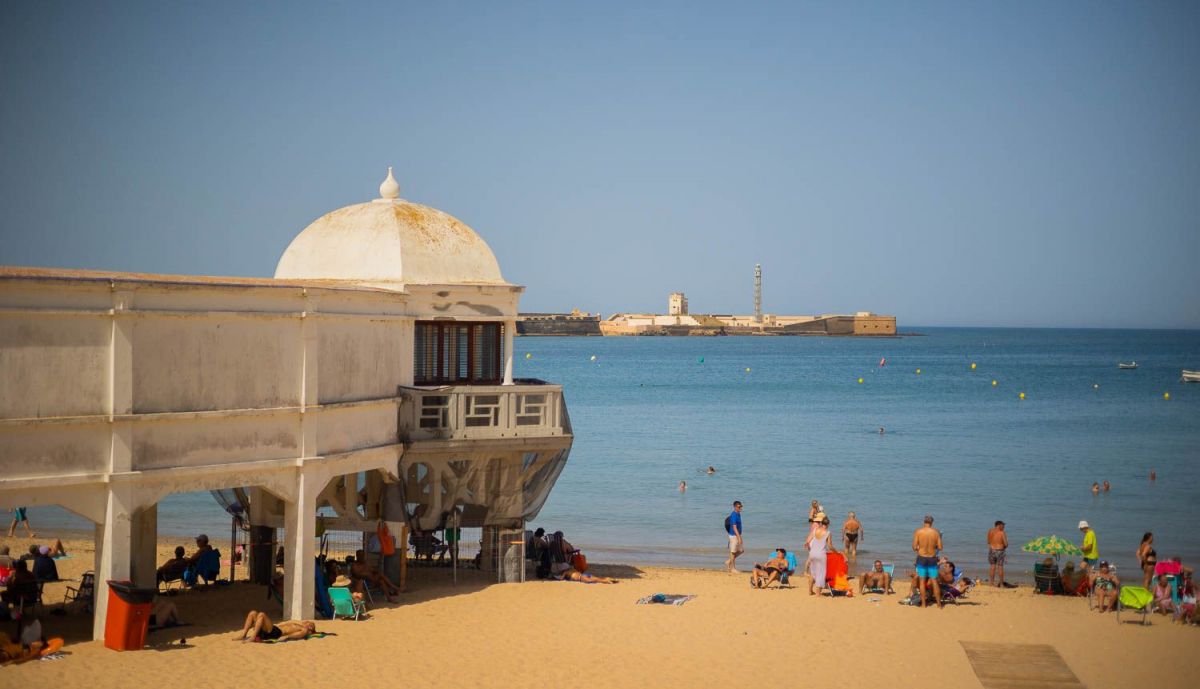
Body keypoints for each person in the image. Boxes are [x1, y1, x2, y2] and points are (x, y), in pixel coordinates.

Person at [912, 515, 943, 608]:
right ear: (932, 522)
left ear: (924, 522)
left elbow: (914, 547)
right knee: (934, 581)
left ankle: (923, 604)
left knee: (922, 581)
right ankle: (939, 604)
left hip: (922, 558)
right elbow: (940, 547)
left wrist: (919, 547)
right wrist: (933, 546)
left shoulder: (918, 531)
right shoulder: (936, 532)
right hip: (932, 558)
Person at [234, 611, 317, 642]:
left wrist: (287, 637)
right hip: (271, 630)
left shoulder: (304, 629)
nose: (308, 622)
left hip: (276, 633)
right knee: (252, 613)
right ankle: (243, 635)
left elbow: (302, 633)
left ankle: (253, 637)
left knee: (262, 615)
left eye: (310, 623)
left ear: (310, 627)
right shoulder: (299, 625)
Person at [805, 514, 835, 596]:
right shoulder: (828, 533)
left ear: (821, 523)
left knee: (813, 573)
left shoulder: (815, 530)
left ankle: (810, 591)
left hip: (812, 553)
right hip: (821, 554)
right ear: (828, 524)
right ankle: (818, 593)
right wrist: (836, 551)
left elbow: (808, 540)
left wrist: (807, 545)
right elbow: (830, 545)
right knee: (820, 573)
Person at [987, 520, 1008, 587]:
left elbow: (988, 541)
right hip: (1000, 550)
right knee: (1000, 567)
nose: (1004, 526)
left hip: (991, 550)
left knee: (992, 566)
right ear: (999, 525)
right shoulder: (1002, 532)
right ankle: (1001, 584)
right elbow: (1006, 544)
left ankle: (991, 583)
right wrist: (1003, 547)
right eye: (1003, 525)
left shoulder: (990, 531)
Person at [725, 501, 744, 573]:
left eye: (741, 506)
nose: (740, 508)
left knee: (741, 550)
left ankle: (728, 561)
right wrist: (739, 537)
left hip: (737, 535)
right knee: (733, 552)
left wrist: (739, 536)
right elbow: (734, 527)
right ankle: (733, 568)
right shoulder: (734, 515)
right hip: (733, 536)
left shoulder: (738, 514)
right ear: (735, 507)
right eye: (739, 507)